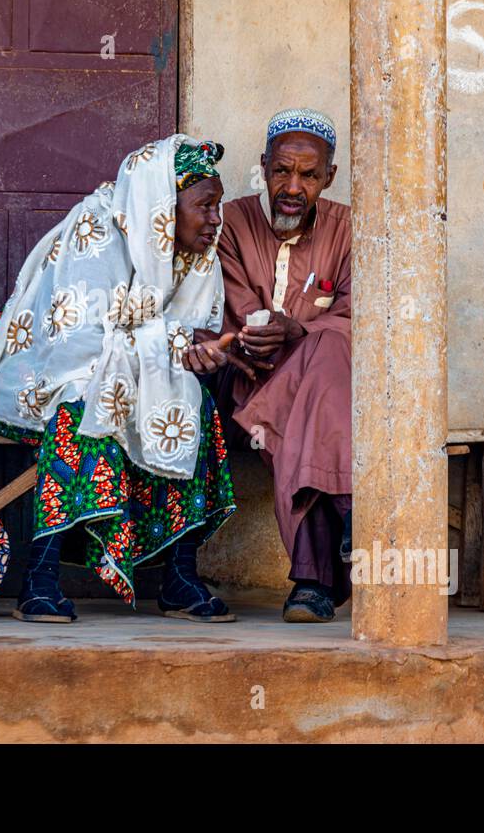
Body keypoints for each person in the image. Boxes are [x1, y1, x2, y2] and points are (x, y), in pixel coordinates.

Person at [0, 135, 257, 622]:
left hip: (129, 368)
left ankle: (179, 577)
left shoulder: (197, 253)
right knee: (84, 411)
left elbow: (178, 333)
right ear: (162, 204)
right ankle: (41, 576)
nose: (215, 220)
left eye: (218, 206)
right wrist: (173, 343)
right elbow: (78, 347)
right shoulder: (96, 232)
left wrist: (193, 351)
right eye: (204, 206)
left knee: (191, 400)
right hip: (41, 372)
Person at [215, 107, 352, 622]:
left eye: (309, 175)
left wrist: (302, 331)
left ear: (329, 177)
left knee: (327, 356)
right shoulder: (229, 222)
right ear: (264, 166)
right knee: (321, 365)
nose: (292, 186)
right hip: (250, 377)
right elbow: (239, 315)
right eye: (281, 171)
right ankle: (350, 510)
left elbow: (361, 317)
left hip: (321, 392)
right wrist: (289, 334)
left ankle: (313, 586)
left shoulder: (348, 231)